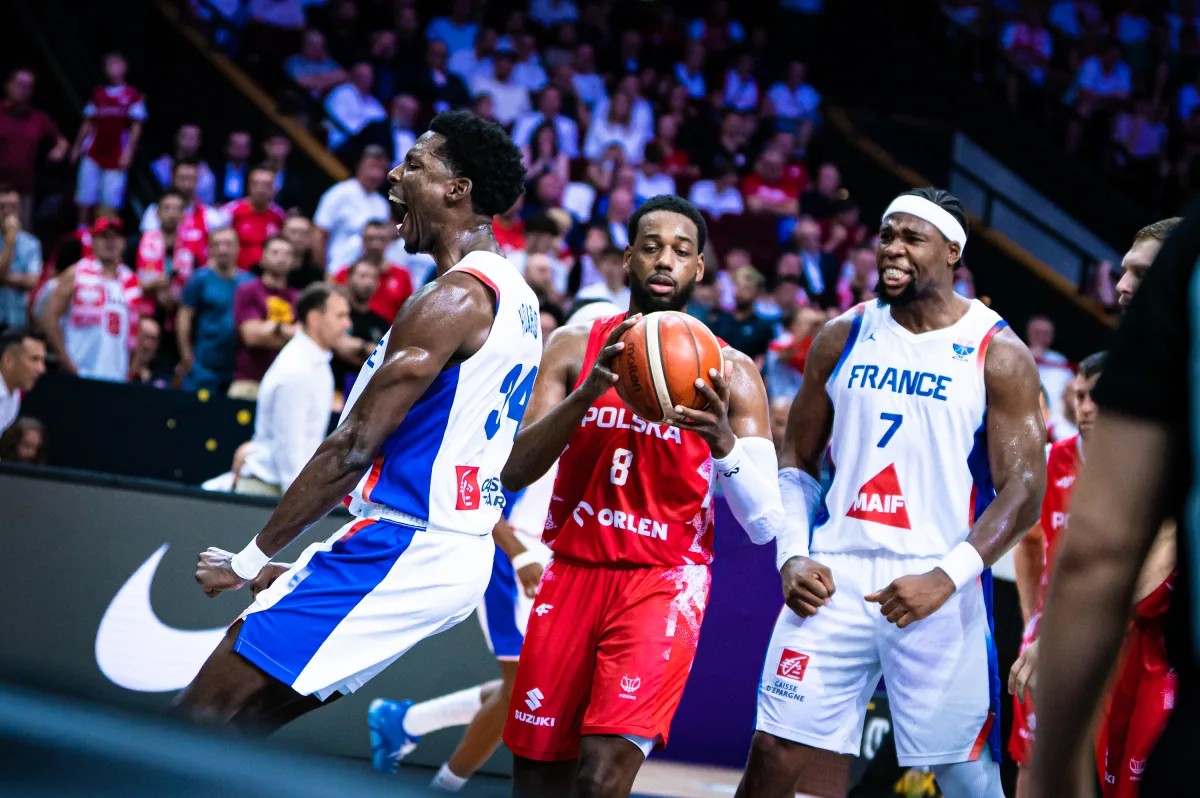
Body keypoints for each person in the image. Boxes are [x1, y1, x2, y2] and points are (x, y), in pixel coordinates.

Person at [174, 111, 536, 741]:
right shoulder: (521, 300)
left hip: (405, 538)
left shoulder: (452, 299)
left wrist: (249, 559)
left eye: (416, 165)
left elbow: (351, 446)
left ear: (459, 188)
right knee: (238, 731)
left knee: (195, 718)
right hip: (450, 550)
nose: (395, 175)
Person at [737, 188, 1045, 798]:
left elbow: (1025, 489)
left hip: (938, 580)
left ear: (952, 250)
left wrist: (946, 575)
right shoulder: (842, 334)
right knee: (773, 749)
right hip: (834, 575)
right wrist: (791, 553)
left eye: (912, 238)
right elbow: (796, 456)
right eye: (886, 235)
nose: (892, 250)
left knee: (962, 774)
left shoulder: (998, 352)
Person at [497, 194, 782, 797]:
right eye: (650, 247)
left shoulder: (731, 373)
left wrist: (724, 442)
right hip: (571, 571)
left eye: (681, 251)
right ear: (627, 259)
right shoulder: (576, 346)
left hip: (661, 583)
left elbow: (763, 523)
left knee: (601, 779)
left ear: (699, 269)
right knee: (536, 781)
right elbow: (514, 471)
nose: (664, 261)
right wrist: (584, 395)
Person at [1030, 215, 1187, 798]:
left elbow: (1103, 555)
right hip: (1139, 637)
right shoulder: (1137, 386)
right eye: (1121, 271)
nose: (1121, 287)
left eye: (1141, 275)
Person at [368, 469, 553, 793]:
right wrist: (518, 554)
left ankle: (405, 721)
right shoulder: (538, 416)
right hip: (515, 555)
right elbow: (481, 488)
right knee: (522, 688)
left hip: (552, 555)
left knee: (542, 686)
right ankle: (444, 787)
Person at [1007, 354, 1105, 798]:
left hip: (1124, 639)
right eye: (1079, 396)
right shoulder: (1050, 460)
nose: (1085, 407)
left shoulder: (1148, 467)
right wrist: (1032, 617)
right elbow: (1028, 540)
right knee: (1034, 761)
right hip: (1051, 641)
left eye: (1097, 397)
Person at [235, 284, 350, 497]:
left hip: (285, 490)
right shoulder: (297, 369)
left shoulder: (317, 362)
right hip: (269, 492)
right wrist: (301, 505)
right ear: (315, 318)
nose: (347, 324)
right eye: (340, 316)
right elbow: (289, 449)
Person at [41, 218, 137, 383]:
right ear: (93, 241)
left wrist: (133, 368)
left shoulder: (131, 281)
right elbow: (49, 316)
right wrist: (66, 361)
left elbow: (137, 328)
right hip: (80, 371)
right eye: (104, 237)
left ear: (123, 242)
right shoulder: (77, 272)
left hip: (117, 375)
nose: (110, 242)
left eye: (115, 237)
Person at [70, 52, 145, 226]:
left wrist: (129, 153)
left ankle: (105, 232)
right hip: (93, 152)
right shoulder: (98, 94)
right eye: (109, 65)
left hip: (117, 154)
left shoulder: (132, 95)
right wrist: (76, 147)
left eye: (116, 64)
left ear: (125, 67)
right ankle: (82, 232)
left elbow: (136, 127)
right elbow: (87, 123)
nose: (112, 68)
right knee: (85, 196)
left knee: (110, 200)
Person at [177, 228, 254, 393]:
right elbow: (184, 317)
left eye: (228, 244)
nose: (222, 249)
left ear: (238, 248)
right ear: (209, 249)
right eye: (216, 244)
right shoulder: (199, 279)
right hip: (203, 366)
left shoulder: (250, 282)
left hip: (238, 369)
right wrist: (186, 358)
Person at [229, 235, 299, 399]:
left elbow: (305, 338)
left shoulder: (298, 297)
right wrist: (289, 333)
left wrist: (273, 328)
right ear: (262, 258)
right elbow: (251, 337)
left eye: (287, 254)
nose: (281, 258)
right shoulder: (248, 291)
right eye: (275, 252)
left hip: (286, 384)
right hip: (249, 381)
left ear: (293, 261)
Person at [313, 146, 390, 273]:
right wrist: (323, 272)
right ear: (360, 166)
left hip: (368, 277)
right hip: (336, 269)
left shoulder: (382, 204)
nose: (377, 174)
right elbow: (319, 234)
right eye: (373, 166)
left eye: (382, 169)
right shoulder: (339, 193)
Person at [223, 166, 285, 271]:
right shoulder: (230, 212)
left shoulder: (279, 216)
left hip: (266, 276)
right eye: (256, 184)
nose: (260, 189)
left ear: (274, 189)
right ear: (249, 186)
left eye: (266, 185)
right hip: (236, 274)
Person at [0, 185, 43, 331]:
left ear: (20, 210)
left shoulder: (32, 244)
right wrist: (10, 241)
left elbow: (32, 281)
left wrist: (3, 279)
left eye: (12, 207)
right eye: (2, 207)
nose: (7, 212)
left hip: (18, 320)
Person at [0, 329, 46, 433]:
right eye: (34, 359)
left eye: (42, 360)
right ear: (8, 360)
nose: (41, 369)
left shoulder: (14, 398)